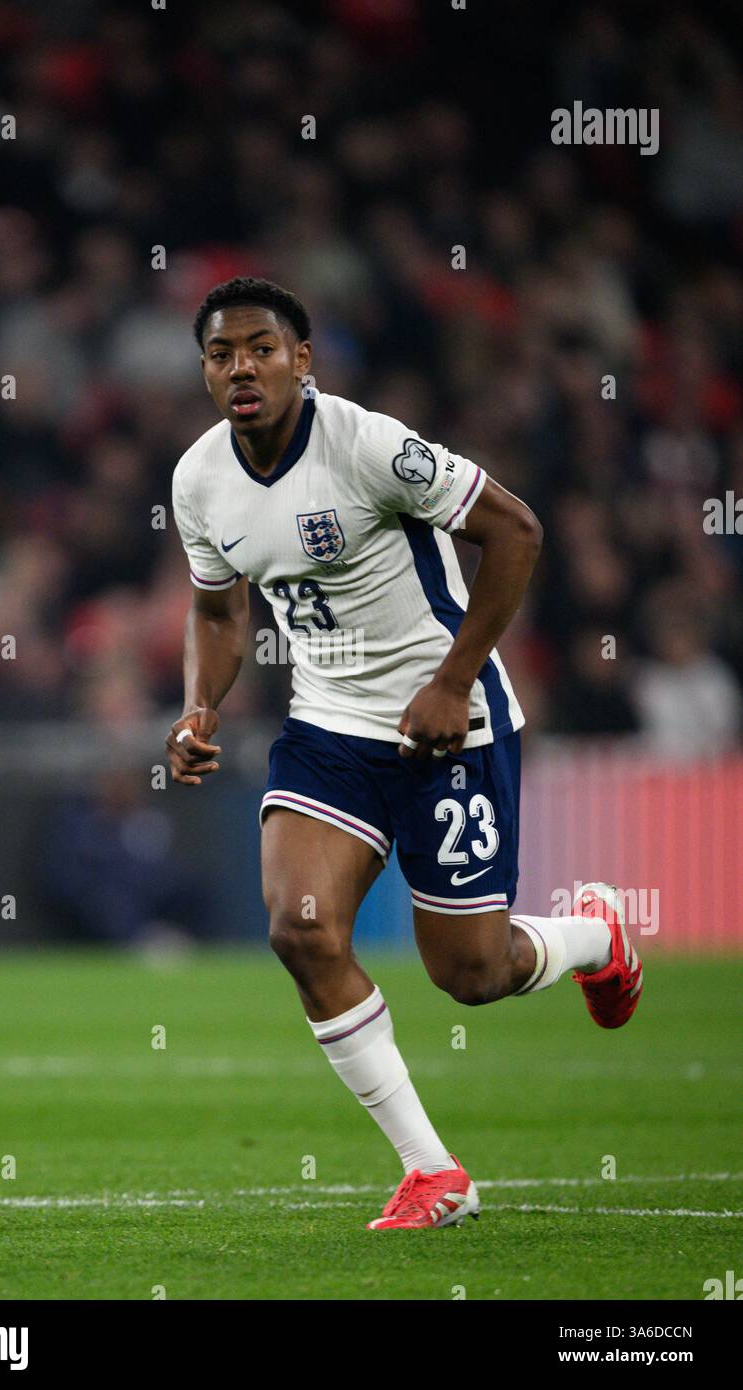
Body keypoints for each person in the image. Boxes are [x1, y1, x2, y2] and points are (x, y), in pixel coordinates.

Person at [167, 277, 643, 1231]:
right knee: (302, 931)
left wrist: (455, 680)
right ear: (207, 371)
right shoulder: (197, 479)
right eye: (222, 354)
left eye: (262, 347)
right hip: (329, 730)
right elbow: (220, 611)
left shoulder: (370, 445)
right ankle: (434, 1171)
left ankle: (596, 937)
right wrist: (197, 707)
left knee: (471, 975)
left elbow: (516, 531)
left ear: (303, 359)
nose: (241, 368)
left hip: (448, 724)